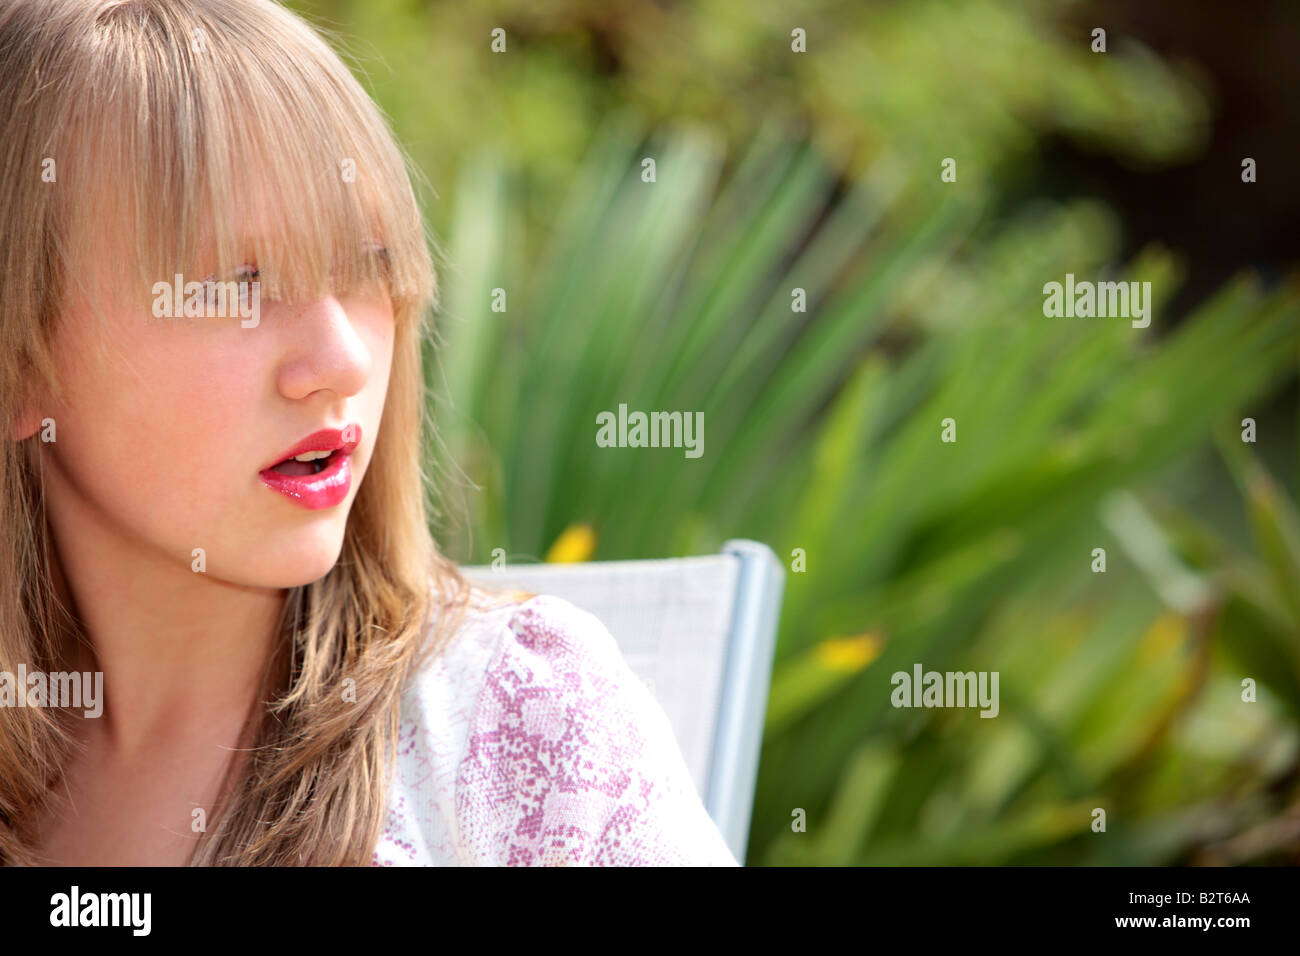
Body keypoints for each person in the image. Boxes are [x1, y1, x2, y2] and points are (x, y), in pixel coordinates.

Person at [0, 0, 738, 867]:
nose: (342, 359)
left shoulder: (527, 730)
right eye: (237, 285)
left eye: (370, 270)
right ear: (22, 363)